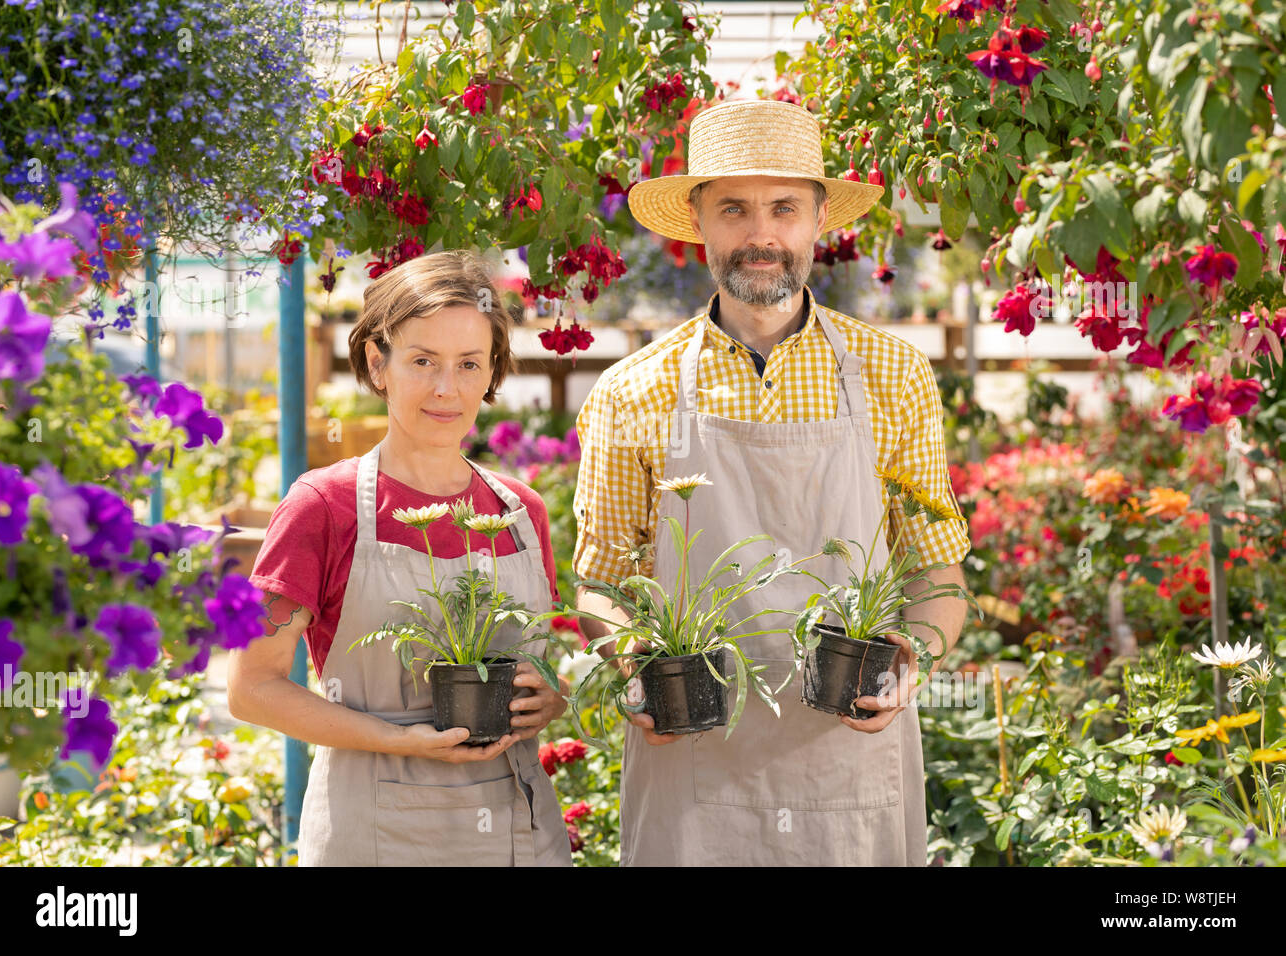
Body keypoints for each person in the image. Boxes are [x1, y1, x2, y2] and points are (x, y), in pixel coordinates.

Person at [572, 99, 972, 866]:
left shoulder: (894, 375)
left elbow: (937, 572)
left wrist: (912, 658)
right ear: (699, 222)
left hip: (850, 763)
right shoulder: (634, 391)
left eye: (784, 207)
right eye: (735, 209)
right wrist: (634, 666)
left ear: (819, 218)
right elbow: (603, 582)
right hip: (692, 759)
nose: (761, 235)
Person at [228, 250, 571, 867]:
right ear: (377, 363)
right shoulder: (322, 507)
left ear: (492, 372)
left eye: (470, 363)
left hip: (522, 835)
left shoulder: (521, 511)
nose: (447, 388)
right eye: (422, 361)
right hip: (378, 836)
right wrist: (398, 739)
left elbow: (534, 668)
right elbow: (252, 688)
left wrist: (551, 696)